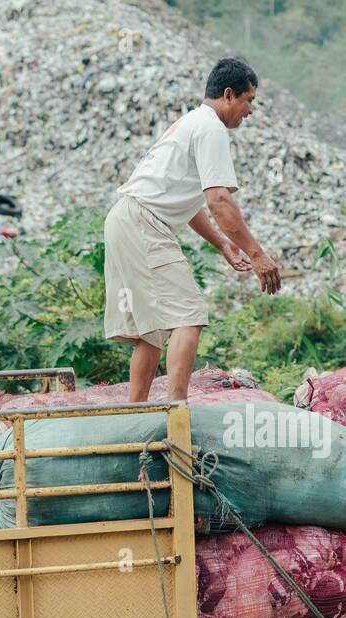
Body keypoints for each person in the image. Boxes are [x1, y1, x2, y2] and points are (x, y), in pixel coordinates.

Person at [104, 56, 282, 402]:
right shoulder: (211, 128)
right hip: (143, 222)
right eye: (249, 101)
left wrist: (223, 245)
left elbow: (189, 203)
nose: (250, 111)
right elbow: (218, 200)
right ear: (229, 95)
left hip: (126, 219)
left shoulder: (192, 122)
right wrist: (258, 255)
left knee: (153, 329)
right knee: (189, 314)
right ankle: (176, 412)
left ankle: (134, 412)